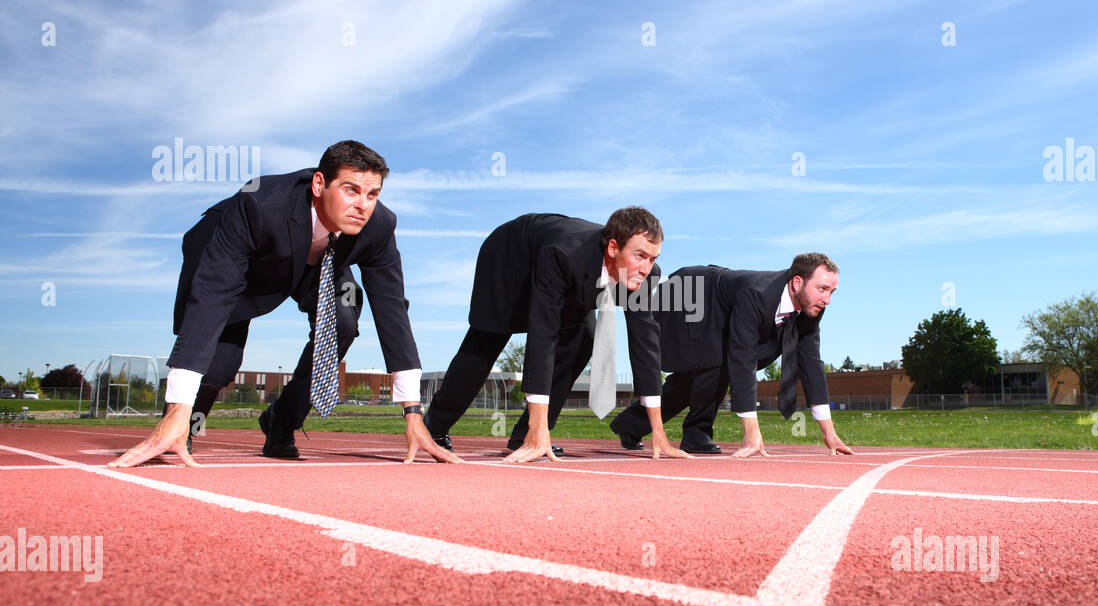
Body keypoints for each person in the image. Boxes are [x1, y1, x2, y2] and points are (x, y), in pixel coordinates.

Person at [109, 141, 460, 468]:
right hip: (243, 258)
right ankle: (183, 425)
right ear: (319, 184)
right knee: (220, 363)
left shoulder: (379, 226)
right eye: (351, 190)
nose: (363, 205)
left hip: (318, 263)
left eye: (372, 194)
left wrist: (413, 415)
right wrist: (178, 405)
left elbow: (393, 310)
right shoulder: (258, 204)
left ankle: (281, 420)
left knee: (343, 321)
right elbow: (212, 297)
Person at [424, 209, 689, 462]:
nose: (647, 267)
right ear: (612, 248)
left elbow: (646, 343)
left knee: (583, 337)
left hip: (571, 273)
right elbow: (544, 332)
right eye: (640, 256)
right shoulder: (564, 254)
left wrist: (659, 433)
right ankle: (435, 425)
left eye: (653, 258)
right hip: (511, 257)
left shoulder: (645, 274)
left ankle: (531, 433)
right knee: (488, 340)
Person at [609, 254, 854, 457]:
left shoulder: (812, 306)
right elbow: (743, 356)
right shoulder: (757, 294)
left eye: (832, 291)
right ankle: (696, 433)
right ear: (797, 282)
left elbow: (811, 363)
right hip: (694, 296)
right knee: (717, 362)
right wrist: (751, 432)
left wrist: (829, 433)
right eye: (822, 289)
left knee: (702, 374)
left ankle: (631, 424)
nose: (827, 299)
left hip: (721, 310)